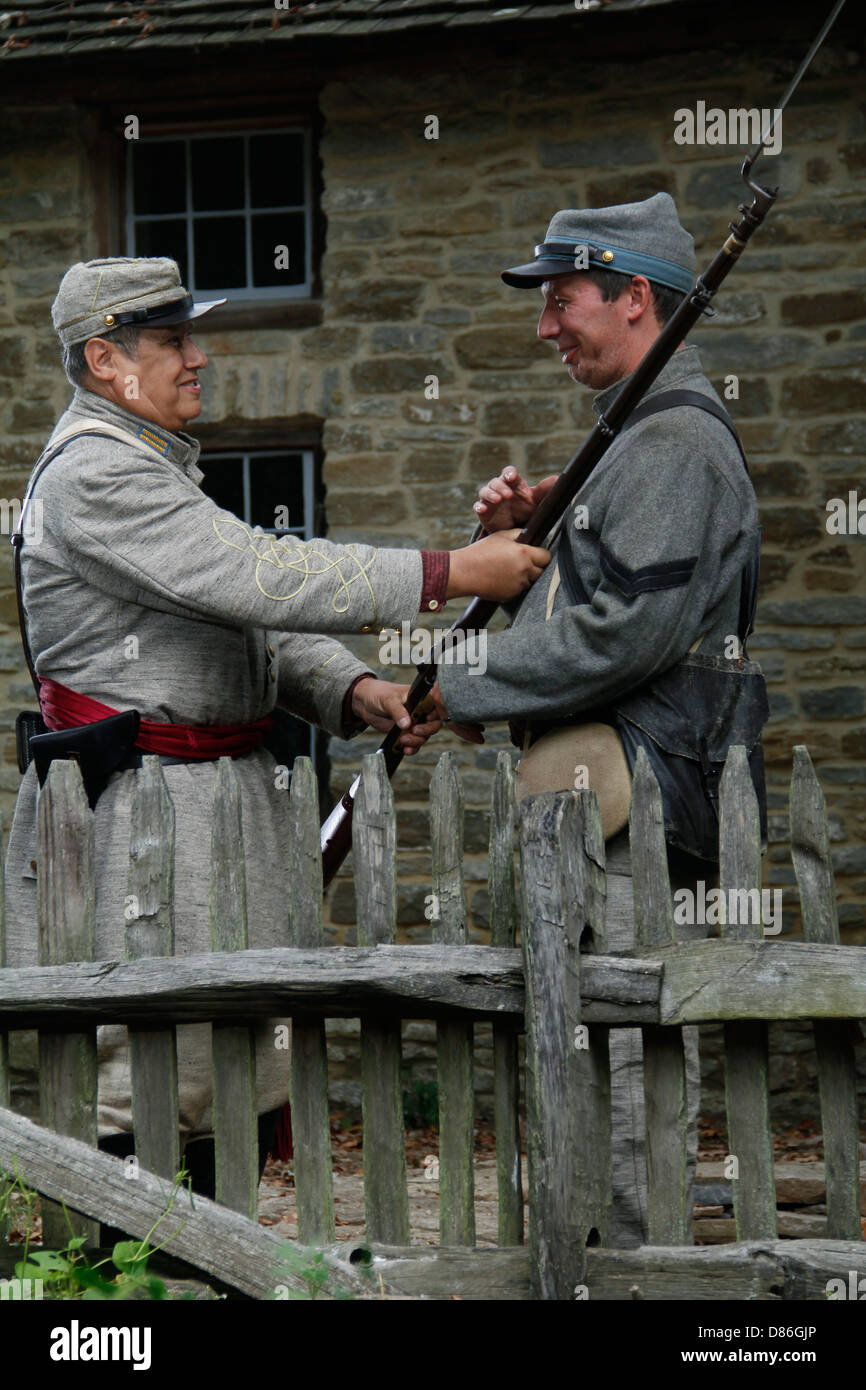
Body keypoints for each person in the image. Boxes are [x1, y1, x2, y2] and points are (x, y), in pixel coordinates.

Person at [4, 256, 550, 1217]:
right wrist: (450, 569)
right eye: (174, 341)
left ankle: (218, 1269)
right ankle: (121, 1299)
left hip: (213, 812)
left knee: (232, 1072)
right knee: (137, 1079)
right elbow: (258, 575)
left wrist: (354, 689)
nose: (198, 358)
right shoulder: (95, 472)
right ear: (102, 359)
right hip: (139, 815)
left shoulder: (146, 460)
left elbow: (245, 624)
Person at [434, 193, 770, 1246]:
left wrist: (459, 681)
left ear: (635, 299)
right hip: (610, 801)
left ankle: (638, 1279)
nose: (543, 326)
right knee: (590, 1053)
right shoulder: (628, 440)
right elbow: (595, 618)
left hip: (646, 808)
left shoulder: (671, 446)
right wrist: (519, 546)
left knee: (630, 1063)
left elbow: (621, 639)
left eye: (561, 299)